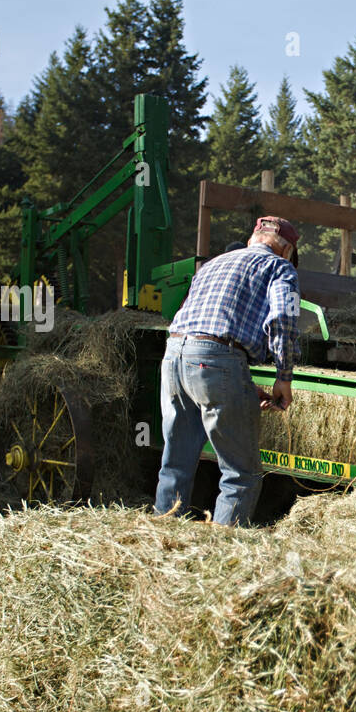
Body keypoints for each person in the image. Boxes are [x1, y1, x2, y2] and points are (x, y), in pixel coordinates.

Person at [155, 216, 301, 525]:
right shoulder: (279, 267)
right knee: (241, 472)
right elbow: (283, 320)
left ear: (252, 239)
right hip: (216, 359)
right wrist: (283, 377)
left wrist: (242, 386)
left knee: (175, 464)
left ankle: (163, 536)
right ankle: (223, 555)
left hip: (174, 356)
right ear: (286, 249)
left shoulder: (211, 265)